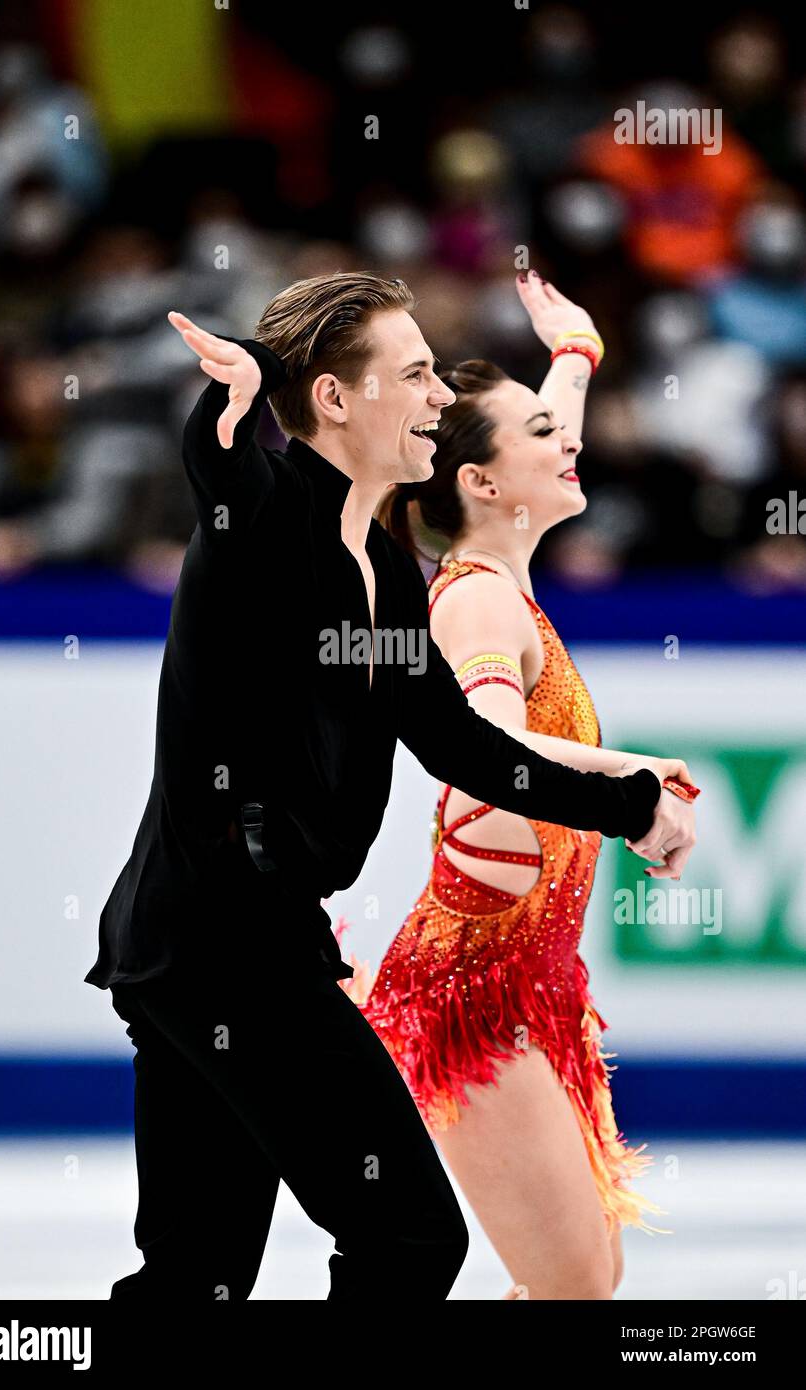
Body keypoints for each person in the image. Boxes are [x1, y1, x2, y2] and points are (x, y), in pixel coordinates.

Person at [84, 271, 691, 1301]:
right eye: (412, 376)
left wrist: (626, 806)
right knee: (407, 1237)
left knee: (197, 1276)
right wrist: (238, 392)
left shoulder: (384, 565)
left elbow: (458, 742)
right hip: (227, 947)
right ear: (334, 399)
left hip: (209, 947)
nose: (436, 401)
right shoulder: (265, 514)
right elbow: (222, 465)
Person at [340, 270, 698, 1300]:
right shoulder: (478, 607)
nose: (568, 440)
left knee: (583, 1273)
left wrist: (575, 352)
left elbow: (543, 427)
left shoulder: (504, 571)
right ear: (483, 485)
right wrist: (631, 778)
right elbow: (485, 746)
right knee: (575, 1284)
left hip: (530, 981)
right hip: (468, 992)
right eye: (543, 434)